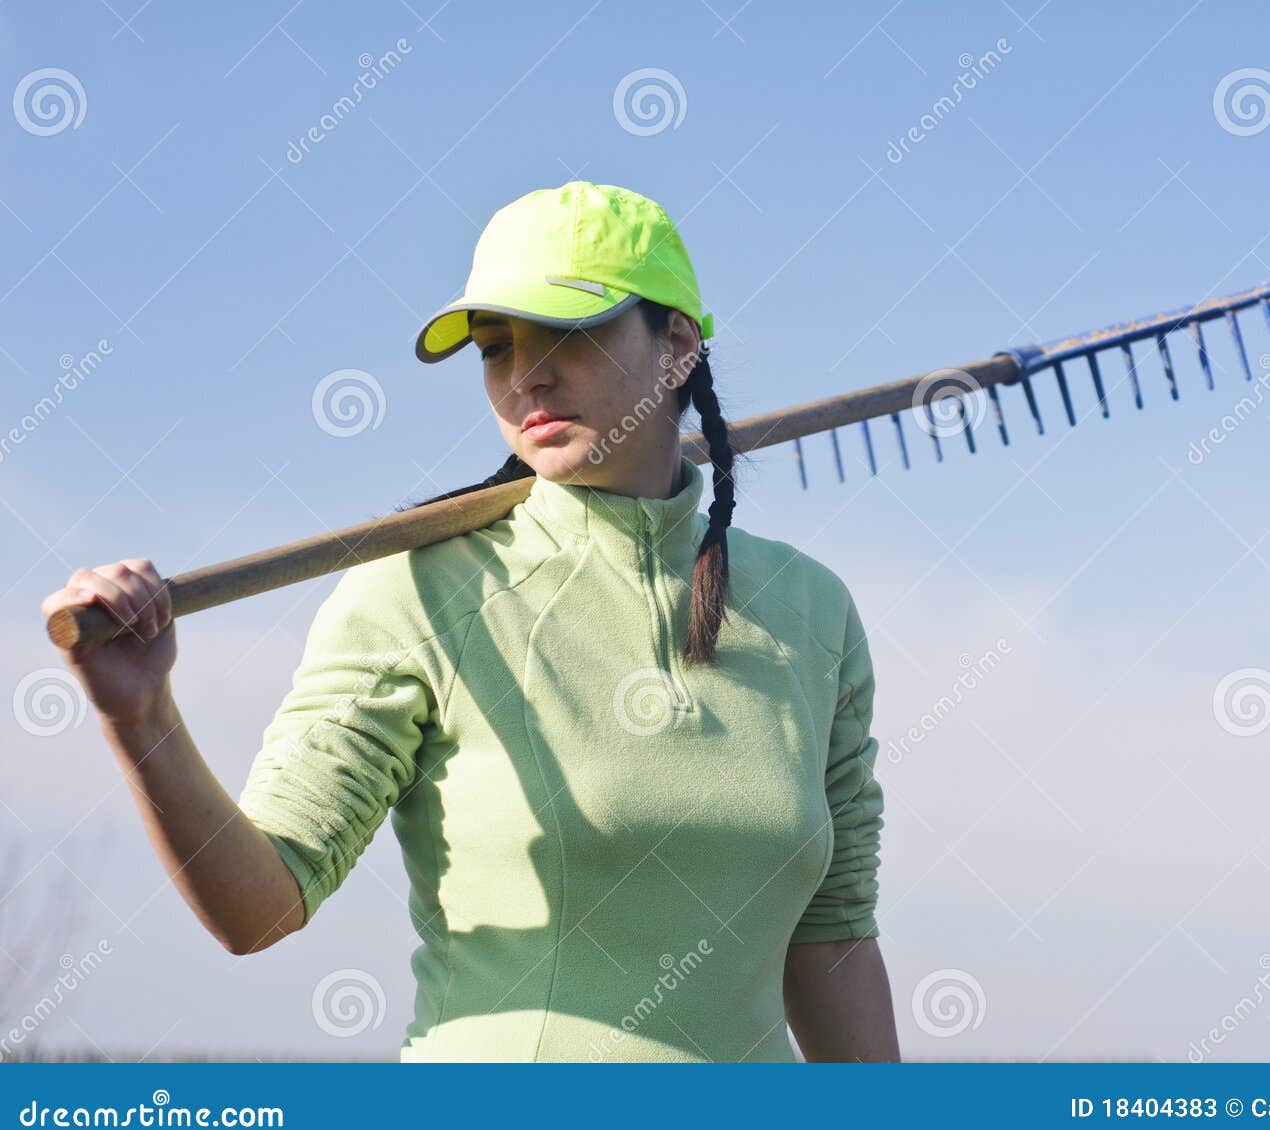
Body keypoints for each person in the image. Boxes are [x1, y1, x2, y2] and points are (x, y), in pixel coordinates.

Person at [39, 181, 898, 1062]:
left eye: (568, 332)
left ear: (678, 344)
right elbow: (257, 907)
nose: (526, 374)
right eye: (496, 347)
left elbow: (832, 937)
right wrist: (141, 718)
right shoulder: (414, 592)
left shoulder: (811, 609)